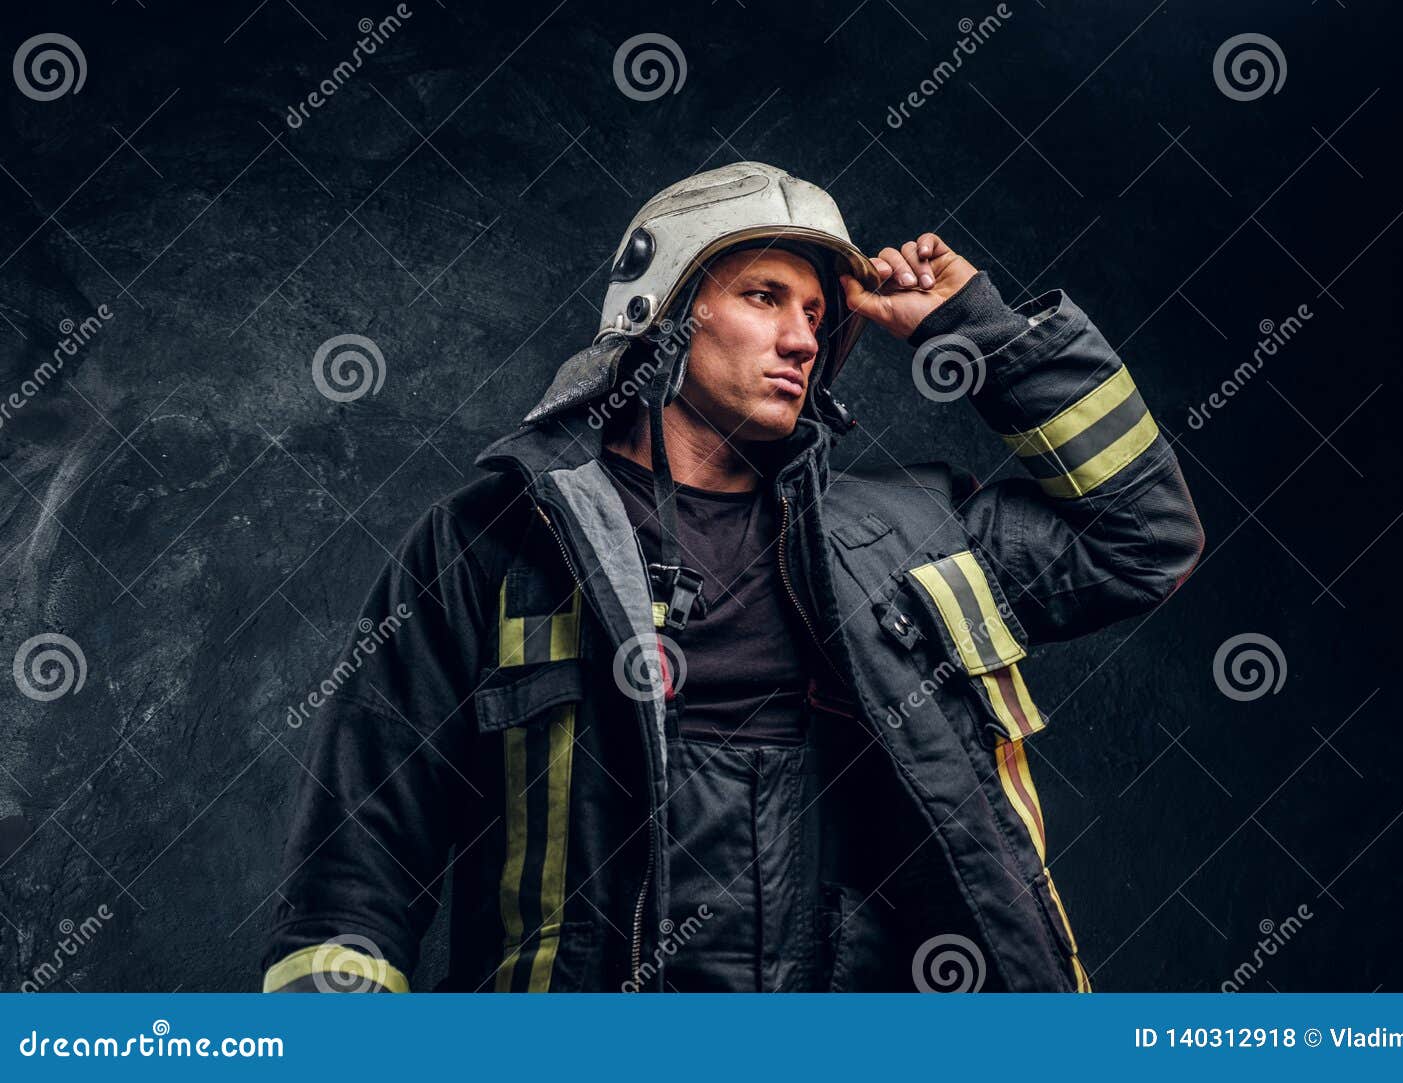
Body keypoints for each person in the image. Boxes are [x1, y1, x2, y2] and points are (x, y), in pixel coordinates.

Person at [259, 161, 1204, 993]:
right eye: (765, 296)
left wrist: (980, 331)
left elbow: (1143, 538)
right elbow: (360, 861)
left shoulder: (908, 532)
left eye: (817, 315)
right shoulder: (494, 542)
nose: (802, 337)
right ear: (663, 312)